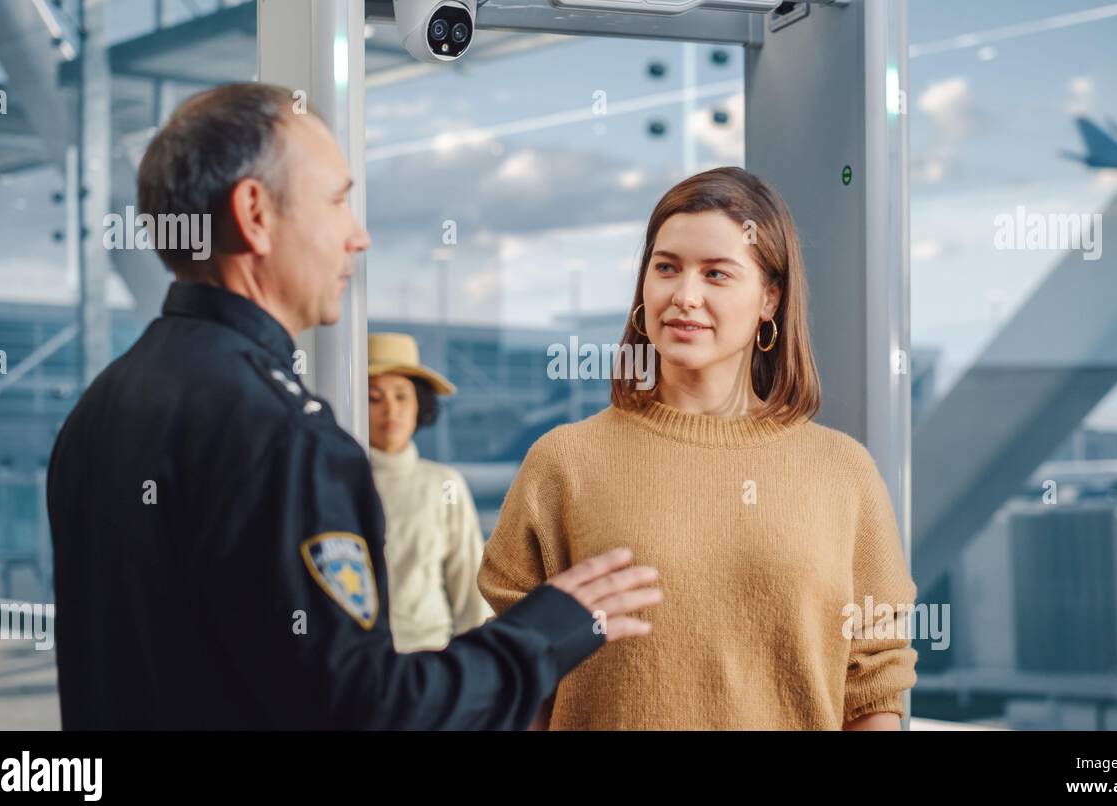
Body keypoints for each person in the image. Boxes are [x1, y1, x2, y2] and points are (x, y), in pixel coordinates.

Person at [46, 82, 660, 730]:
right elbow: (365, 709)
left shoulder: (104, 405)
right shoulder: (281, 435)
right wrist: (546, 632)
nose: (358, 237)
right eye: (338, 201)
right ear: (255, 213)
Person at [479, 167, 918, 730]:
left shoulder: (843, 472)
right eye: (666, 268)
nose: (684, 296)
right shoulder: (565, 463)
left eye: (716, 274)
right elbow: (521, 681)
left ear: (770, 298)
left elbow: (874, 687)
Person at [365, 332, 493, 652]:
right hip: (356, 662)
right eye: (374, 397)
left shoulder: (444, 484)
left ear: (420, 404)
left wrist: (475, 672)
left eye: (401, 396)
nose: (390, 410)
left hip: (431, 660)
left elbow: (468, 586)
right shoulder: (333, 480)